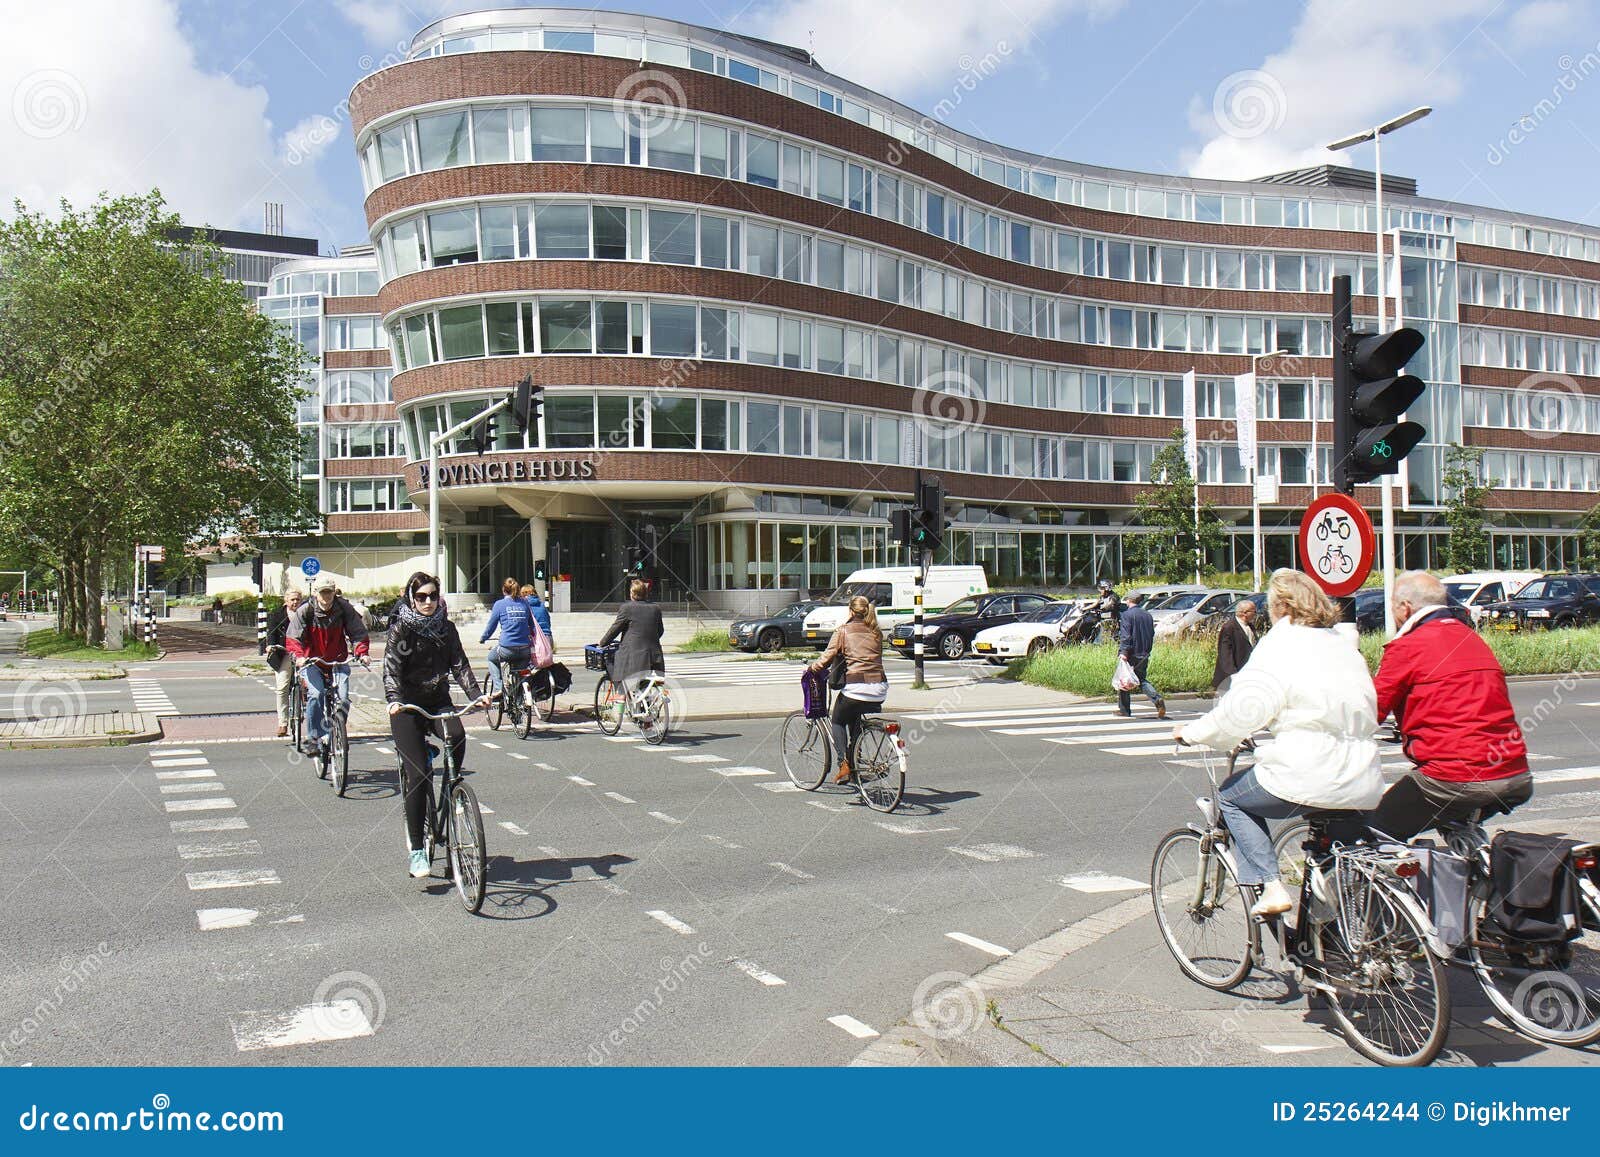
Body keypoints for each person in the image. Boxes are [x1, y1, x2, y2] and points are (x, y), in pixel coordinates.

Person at [1175, 569, 1385, 916]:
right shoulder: (1344, 646)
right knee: (1339, 860)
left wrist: (1193, 732)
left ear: (1281, 606)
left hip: (1308, 770)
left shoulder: (1281, 644)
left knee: (1232, 797)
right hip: (1363, 778)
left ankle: (1271, 885)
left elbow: (1240, 711)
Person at [1367, 571, 1532, 841]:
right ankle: (1478, 872)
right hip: (1515, 774)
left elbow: (1369, 712)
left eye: (1393, 606)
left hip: (1454, 777)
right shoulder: (1472, 639)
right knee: (1454, 821)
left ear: (1405, 607)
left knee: (1374, 830)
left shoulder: (1407, 647)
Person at [386, 572, 490, 878]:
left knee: (457, 736)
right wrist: (393, 698)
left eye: (432, 596)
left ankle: (452, 790)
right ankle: (418, 849)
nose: (428, 602)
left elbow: (459, 664)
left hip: (437, 700)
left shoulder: (446, 628)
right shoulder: (400, 631)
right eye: (421, 597)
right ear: (411, 598)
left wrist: (477, 695)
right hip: (407, 706)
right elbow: (391, 668)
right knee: (417, 775)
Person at [285, 573, 370, 757]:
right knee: (316, 694)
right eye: (323, 593)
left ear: (334, 593)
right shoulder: (305, 611)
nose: (326, 597)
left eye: (329, 593)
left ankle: (337, 728)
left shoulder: (344, 608)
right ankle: (314, 738)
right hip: (312, 662)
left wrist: (361, 652)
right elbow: (293, 638)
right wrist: (299, 656)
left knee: (344, 698)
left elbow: (358, 632)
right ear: (316, 593)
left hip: (338, 660)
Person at [808, 595, 888, 784]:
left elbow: (827, 656)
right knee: (854, 719)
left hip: (856, 687)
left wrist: (812, 669)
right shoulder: (876, 631)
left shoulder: (843, 631)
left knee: (837, 720)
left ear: (850, 611)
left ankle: (844, 764)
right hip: (880, 688)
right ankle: (856, 762)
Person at [598, 579, 665, 714]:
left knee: (614, 661)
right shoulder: (656, 608)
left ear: (632, 594)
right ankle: (648, 721)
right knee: (645, 685)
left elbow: (615, 629)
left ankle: (621, 695)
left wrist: (602, 643)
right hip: (654, 656)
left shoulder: (627, 608)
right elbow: (660, 631)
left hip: (635, 655)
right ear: (645, 593)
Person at [480, 577, 536, 700]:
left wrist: (483, 638)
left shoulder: (499, 604)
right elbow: (532, 624)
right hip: (525, 648)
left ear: (503, 590)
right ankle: (519, 703)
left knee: (491, 658)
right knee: (519, 675)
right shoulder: (525, 603)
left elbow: (491, 626)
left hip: (507, 648)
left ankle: (498, 688)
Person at [263, 587, 305, 738]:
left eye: (298, 599)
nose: (295, 602)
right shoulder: (278, 615)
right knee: (282, 688)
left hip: (302, 654)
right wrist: (270, 646)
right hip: (284, 653)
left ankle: (303, 705)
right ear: (286, 601)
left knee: (309, 684)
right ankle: (283, 723)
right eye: (292, 599)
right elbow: (271, 633)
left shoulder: (307, 613)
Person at [1116, 592, 1165, 719]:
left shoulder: (1127, 615)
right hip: (1144, 652)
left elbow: (1126, 636)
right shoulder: (1147, 615)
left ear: (1128, 600)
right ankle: (1156, 699)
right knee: (1141, 679)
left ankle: (1124, 710)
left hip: (1131, 652)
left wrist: (1124, 652)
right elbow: (1151, 633)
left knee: (1125, 679)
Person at [1211, 599, 1258, 695]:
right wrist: (1233, 676)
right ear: (1245, 613)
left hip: (1246, 675)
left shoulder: (1250, 627)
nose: (1256, 614)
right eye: (1254, 611)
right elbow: (1225, 654)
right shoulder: (1229, 628)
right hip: (1232, 677)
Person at [520, 583, 554, 650]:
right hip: (548, 639)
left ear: (523, 594)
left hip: (535, 640)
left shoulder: (524, 606)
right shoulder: (542, 606)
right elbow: (548, 622)